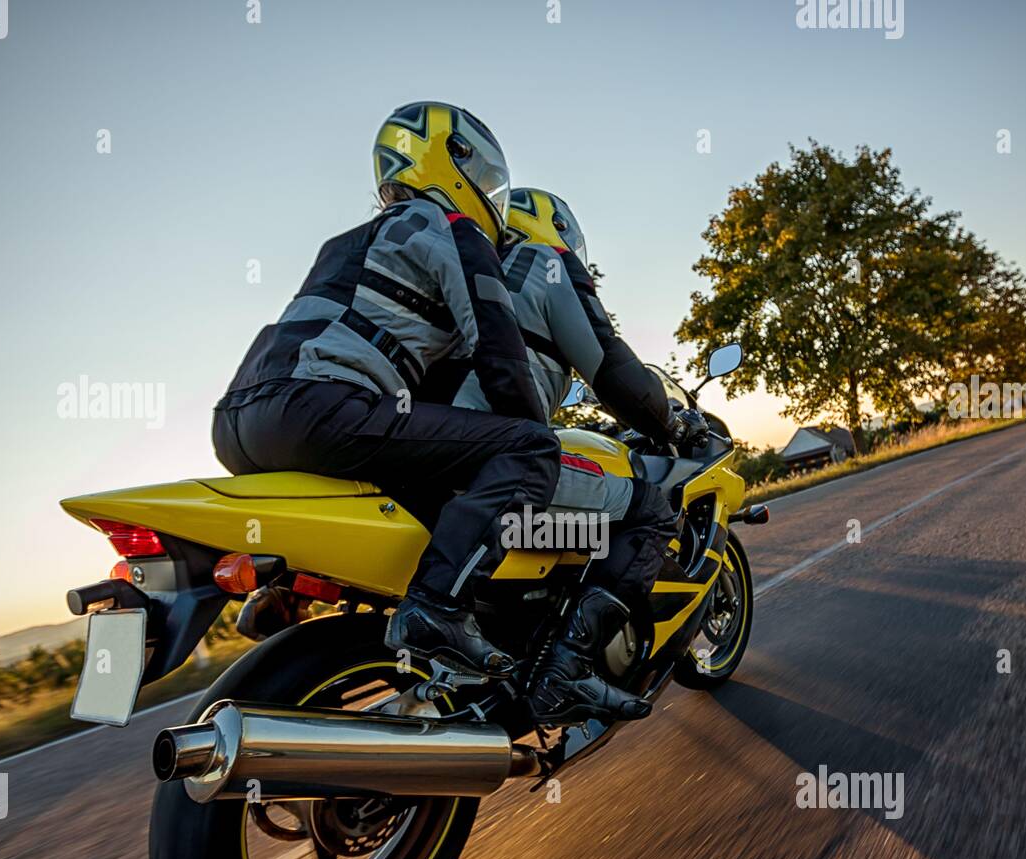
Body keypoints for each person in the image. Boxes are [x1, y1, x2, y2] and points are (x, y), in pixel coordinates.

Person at [211, 103, 559, 678]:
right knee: (526, 448)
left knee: (413, 476)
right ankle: (437, 609)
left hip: (238, 423)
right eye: (490, 185)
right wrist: (538, 444)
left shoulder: (347, 243)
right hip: (319, 408)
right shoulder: (453, 227)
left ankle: (293, 590)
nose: (491, 201)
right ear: (453, 163)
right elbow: (501, 356)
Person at [437, 188, 711, 724]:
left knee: (562, 522)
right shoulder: (546, 263)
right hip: (497, 466)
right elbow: (612, 371)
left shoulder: (460, 264)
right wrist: (670, 421)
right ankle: (563, 676)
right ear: (558, 229)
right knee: (645, 514)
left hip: (428, 456)